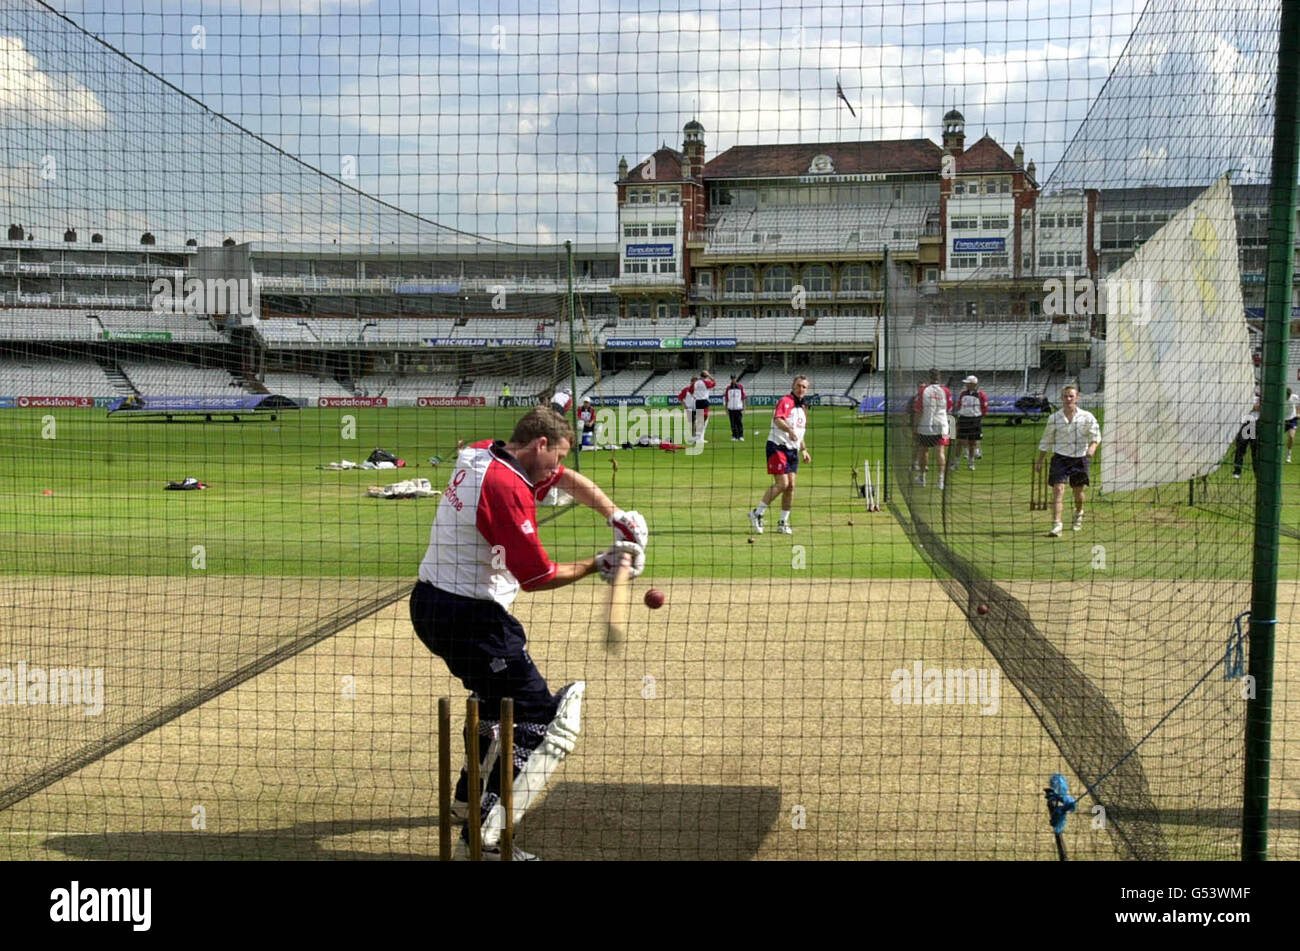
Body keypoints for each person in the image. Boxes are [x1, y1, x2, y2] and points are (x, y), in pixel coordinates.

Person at [409, 407, 648, 860]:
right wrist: (601, 562)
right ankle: (485, 841)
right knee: (538, 719)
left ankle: (467, 801)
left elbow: (562, 479)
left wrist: (614, 514)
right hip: (472, 618)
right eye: (555, 456)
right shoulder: (504, 487)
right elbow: (536, 576)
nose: (557, 468)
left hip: (431, 603)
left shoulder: (483, 454)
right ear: (539, 445)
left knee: (493, 703)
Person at [1035, 384, 1102, 537]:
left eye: (1071, 396)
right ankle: (1057, 525)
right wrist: (1040, 461)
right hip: (1060, 458)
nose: (1068, 399)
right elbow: (1046, 440)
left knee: (1078, 492)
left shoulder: (1087, 416)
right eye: (1065, 396)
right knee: (1058, 490)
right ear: (1061, 398)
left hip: (1080, 458)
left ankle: (1079, 513)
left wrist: (1092, 447)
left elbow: (1096, 436)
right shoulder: (1054, 418)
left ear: (1077, 398)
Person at [749, 375, 812, 535]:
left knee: (791, 486)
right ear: (793, 386)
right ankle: (757, 513)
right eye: (798, 385)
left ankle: (783, 522)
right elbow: (778, 419)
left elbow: (800, 432)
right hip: (777, 447)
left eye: (804, 387)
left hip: (793, 450)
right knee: (782, 484)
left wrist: (804, 449)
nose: (801, 389)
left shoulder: (803, 407)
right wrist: (789, 430)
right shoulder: (786, 401)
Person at [913, 368, 951, 489]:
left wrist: (915, 427)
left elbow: (918, 411)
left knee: (924, 450)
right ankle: (941, 481)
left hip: (926, 425)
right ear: (939, 377)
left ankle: (922, 478)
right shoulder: (946, 391)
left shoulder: (924, 391)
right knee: (940, 451)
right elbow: (949, 409)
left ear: (929, 377)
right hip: (942, 425)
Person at [952, 375, 988, 471]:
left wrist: (978, 418)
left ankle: (971, 463)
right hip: (963, 419)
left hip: (975, 420)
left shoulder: (981, 395)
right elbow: (959, 405)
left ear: (973, 384)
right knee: (959, 442)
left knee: (972, 443)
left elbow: (984, 409)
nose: (966, 385)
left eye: (968, 383)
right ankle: (956, 463)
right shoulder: (963, 393)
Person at [1233, 395, 1261, 479]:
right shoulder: (1244, 396)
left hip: (1256, 423)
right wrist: (1251, 407)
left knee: (1255, 450)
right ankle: (1237, 471)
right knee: (1241, 447)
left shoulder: (1260, 397)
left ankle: (1257, 472)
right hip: (1246, 423)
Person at [688, 369, 716, 443]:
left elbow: (690, 390)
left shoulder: (695, 383)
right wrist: (710, 375)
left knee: (700, 419)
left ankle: (698, 437)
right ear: (706, 376)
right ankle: (699, 437)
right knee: (705, 417)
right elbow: (714, 383)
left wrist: (694, 396)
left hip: (698, 402)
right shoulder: (706, 382)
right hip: (704, 401)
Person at [724, 374, 746, 441]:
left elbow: (743, 397)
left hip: (738, 407)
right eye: (732, 378)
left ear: (736, 379)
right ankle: (734, 436)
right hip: (731, 408)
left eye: (734, 378)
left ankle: (741, 436)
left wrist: (744, 407)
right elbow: (726, 399)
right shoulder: (728, 388)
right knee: (733, 423)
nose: (733, 380)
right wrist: (726, 409)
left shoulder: (740, 387)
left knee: (739, 422)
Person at [1285, 387, 1299, 463]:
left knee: (1291, 436)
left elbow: (1298, 404)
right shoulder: (1279, 398)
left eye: (1289, 395)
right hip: (1282, 420)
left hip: (1292, 419)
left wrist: (1298, 413)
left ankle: (1288, 455)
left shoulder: (1294, 397)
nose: (1288, 396)